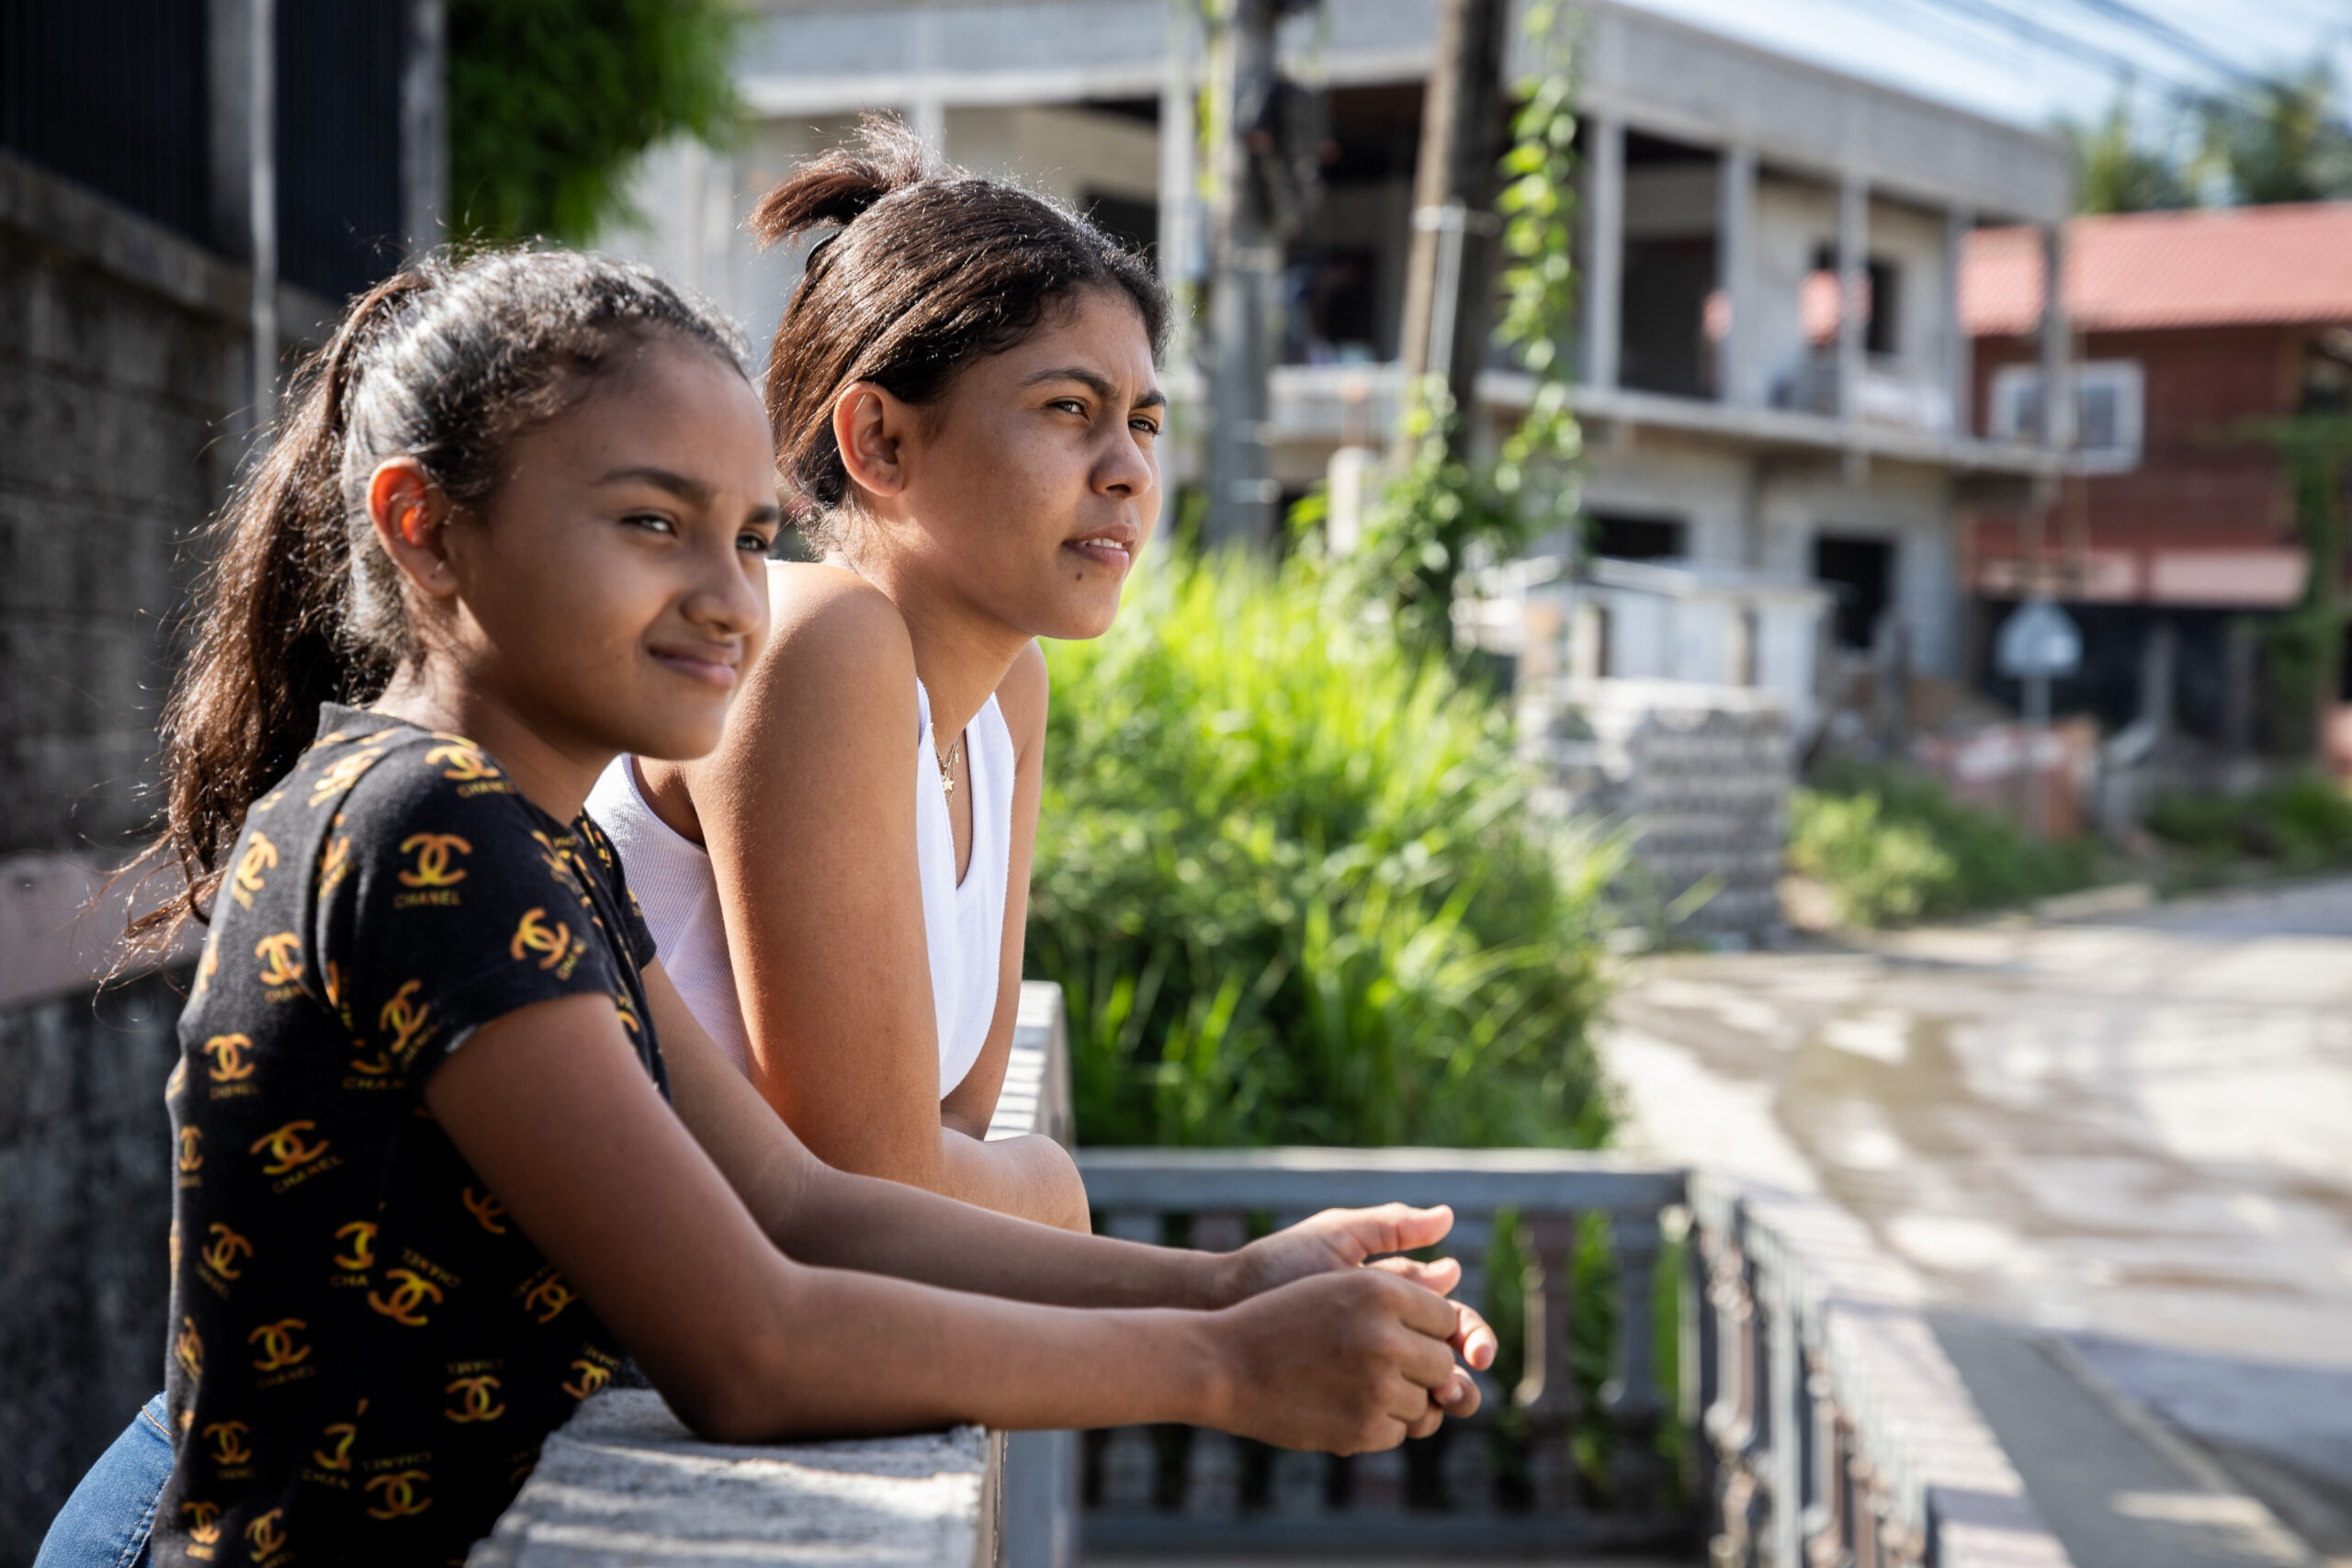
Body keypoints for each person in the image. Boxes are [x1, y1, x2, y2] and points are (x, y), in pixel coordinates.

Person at [36, 248, 1493, 1568]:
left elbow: (798, 1201)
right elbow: (753, 1341)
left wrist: (1231, 1278)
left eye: (746, 535)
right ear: (425, 528)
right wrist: (1225, 1370)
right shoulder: (430, 827)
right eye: (651, 522)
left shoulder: (537, 837)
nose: (731, 595)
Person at [589, 121, 1148, 1230]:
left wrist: (994, 1180)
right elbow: (883, 1199)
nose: (1128, 470)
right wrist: (1059, 1188)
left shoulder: (1005, 696)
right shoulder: (810, 641)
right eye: (1069, 411)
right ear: (881, 443)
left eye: (1144, 421)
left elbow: (952, 1133)